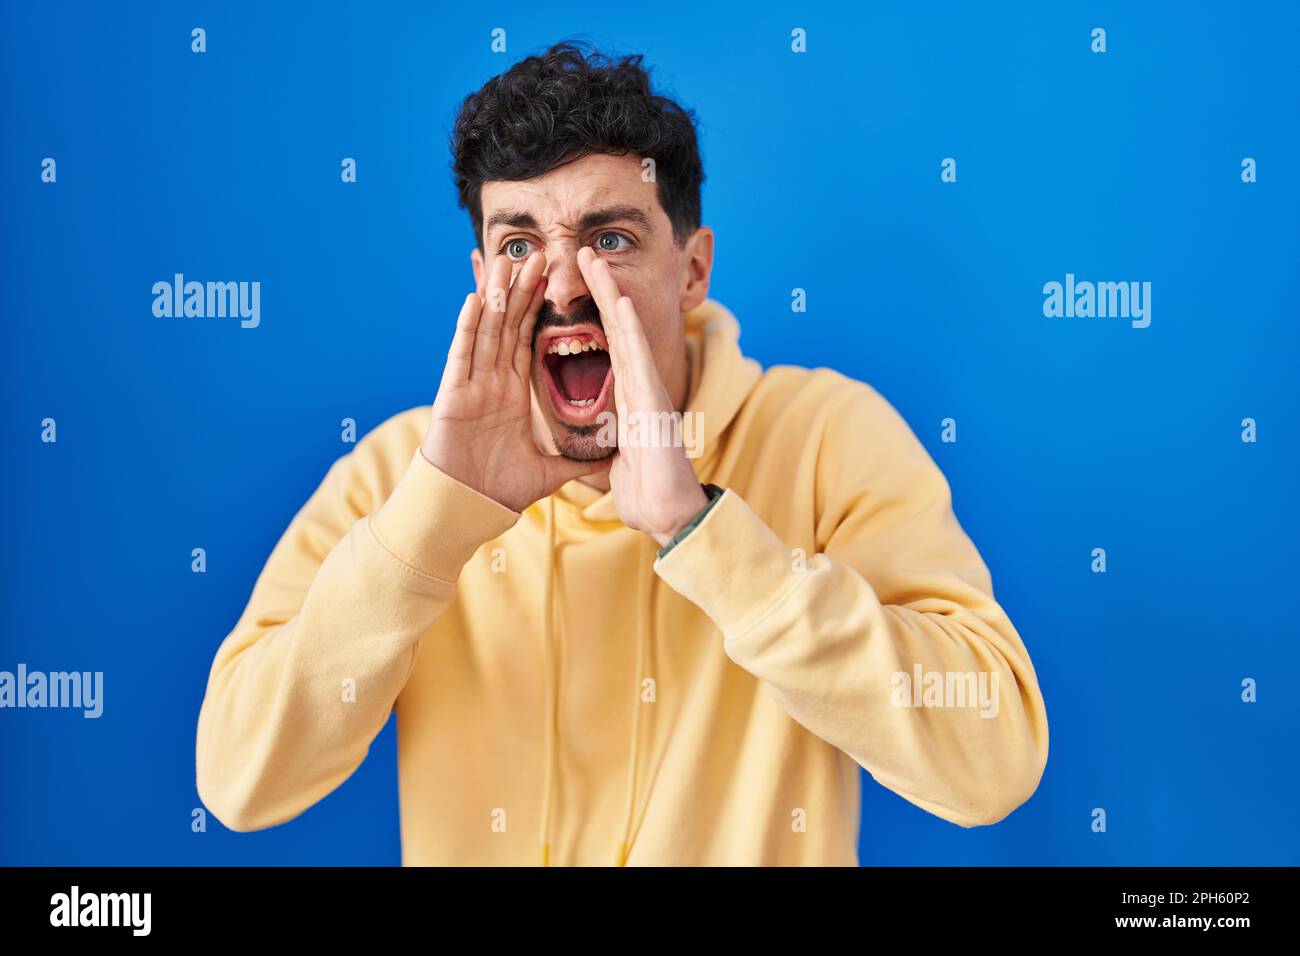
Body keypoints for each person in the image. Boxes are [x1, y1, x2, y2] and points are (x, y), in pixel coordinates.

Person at [195, 40, 1049, 866]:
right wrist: (433, 525)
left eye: (608, 239)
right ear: (480, 274)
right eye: (519, 246)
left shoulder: (826, 434)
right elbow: (239, 783)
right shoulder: (397, 477)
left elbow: (993, 762)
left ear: (692, 269)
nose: (563, 287)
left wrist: (703, 532)